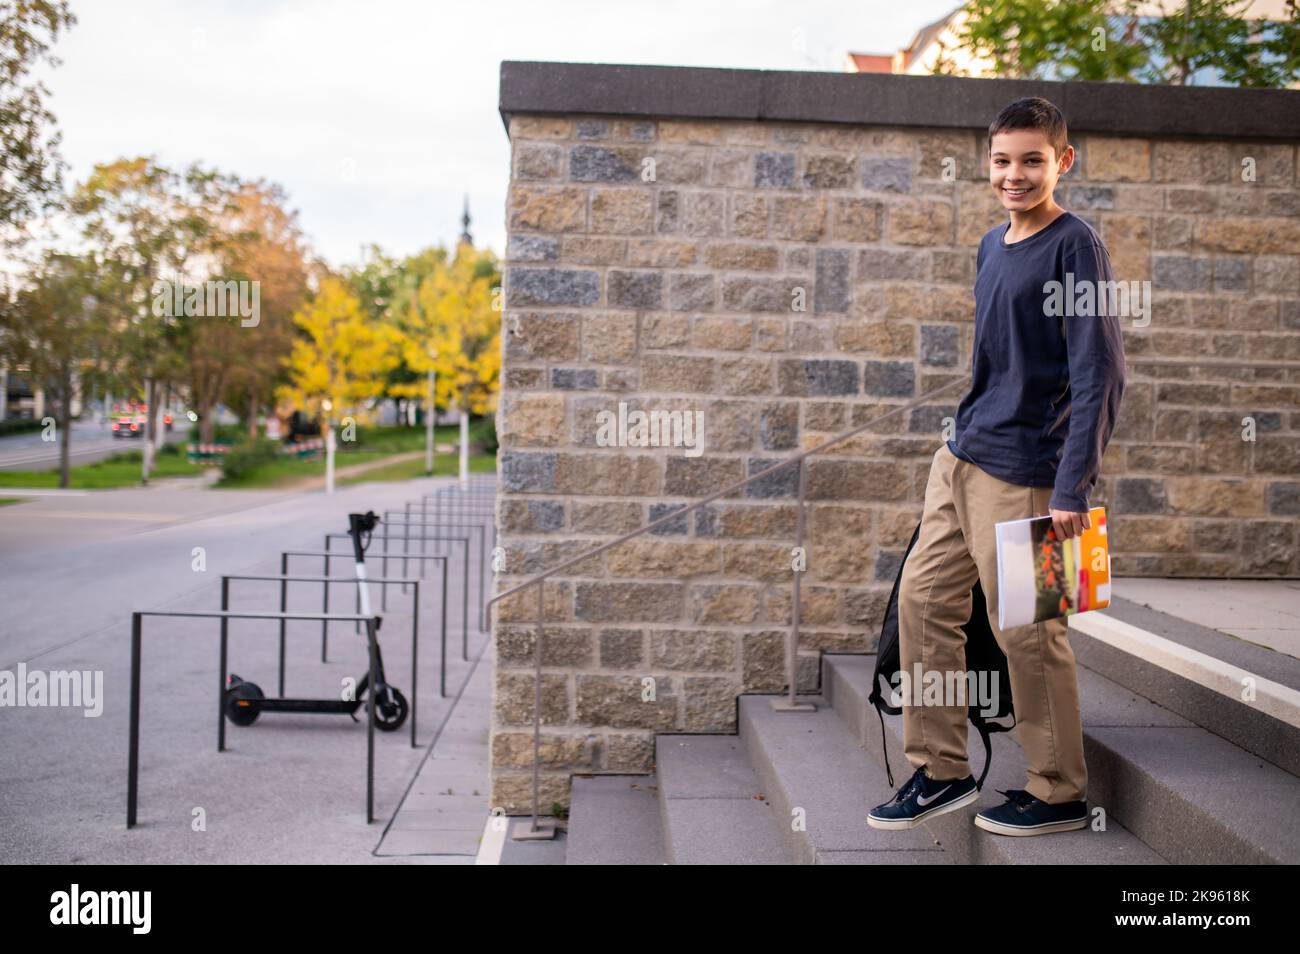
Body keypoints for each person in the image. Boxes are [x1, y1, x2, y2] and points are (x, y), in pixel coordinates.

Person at [867, 97, 1126, 836]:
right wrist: (955, 442)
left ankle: (1059, 789)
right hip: (962, 458)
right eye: (1003, 160)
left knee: (1032, 631)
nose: (1015, 174)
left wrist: (1074, 483)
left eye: (1033, 160)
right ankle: (941, 770)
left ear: (1063, 162)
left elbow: (1101, 371)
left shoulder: (1079, 246)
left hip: (1035, 471)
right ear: (989, 163)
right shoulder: (991, 244)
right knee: (921, 605)